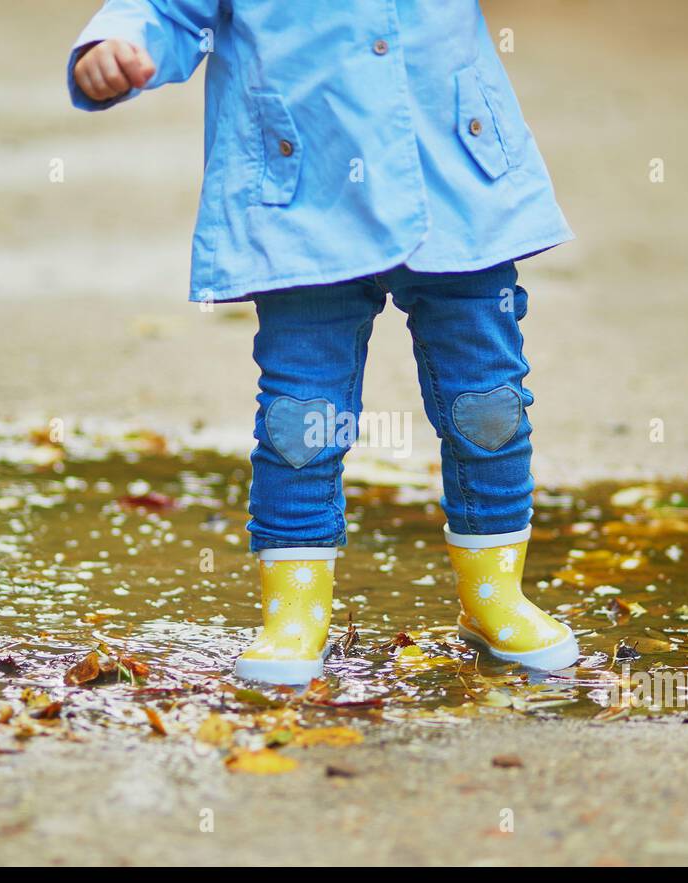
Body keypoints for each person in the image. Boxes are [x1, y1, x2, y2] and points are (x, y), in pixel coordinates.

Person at [69, 1, 579, 683]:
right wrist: (117, 44)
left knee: (488, 404)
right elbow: (164, 9)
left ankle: (496, 598)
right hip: (304, 195)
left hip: (455, 179)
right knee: (300, 420)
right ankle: (295, 614)